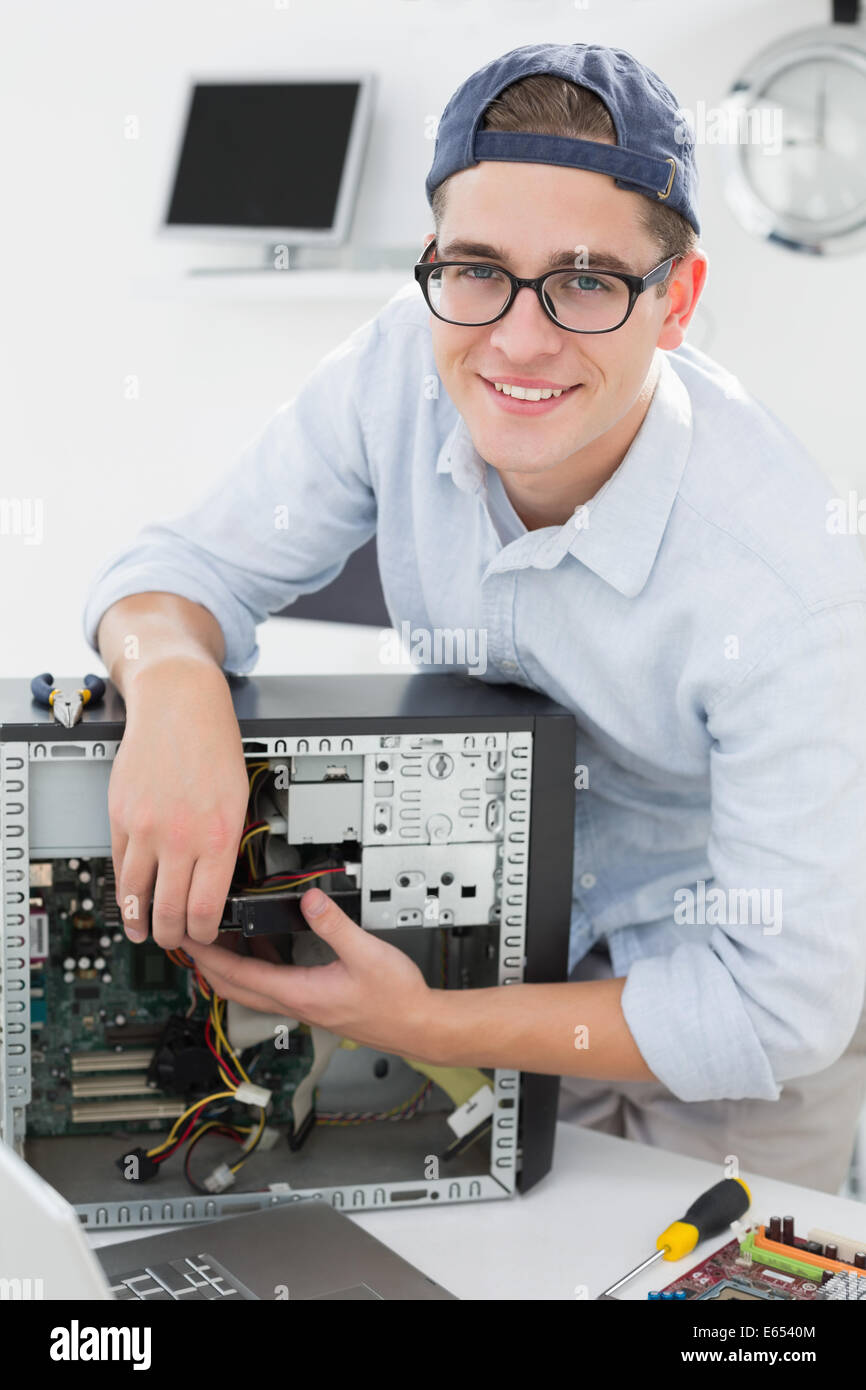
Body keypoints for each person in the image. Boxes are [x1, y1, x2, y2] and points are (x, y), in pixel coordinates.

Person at [84, 43, 866, 1192]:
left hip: (721, 1040)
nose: (517, 338)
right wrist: (171, 688)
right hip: (481, 967)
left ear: (676, 303)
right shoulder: (399, 362)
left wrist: (439, 1025)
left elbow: (775, 1007)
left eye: (588, 280)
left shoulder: (792, 582)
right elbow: (179, 567)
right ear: (431, 263)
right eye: (476, 268)